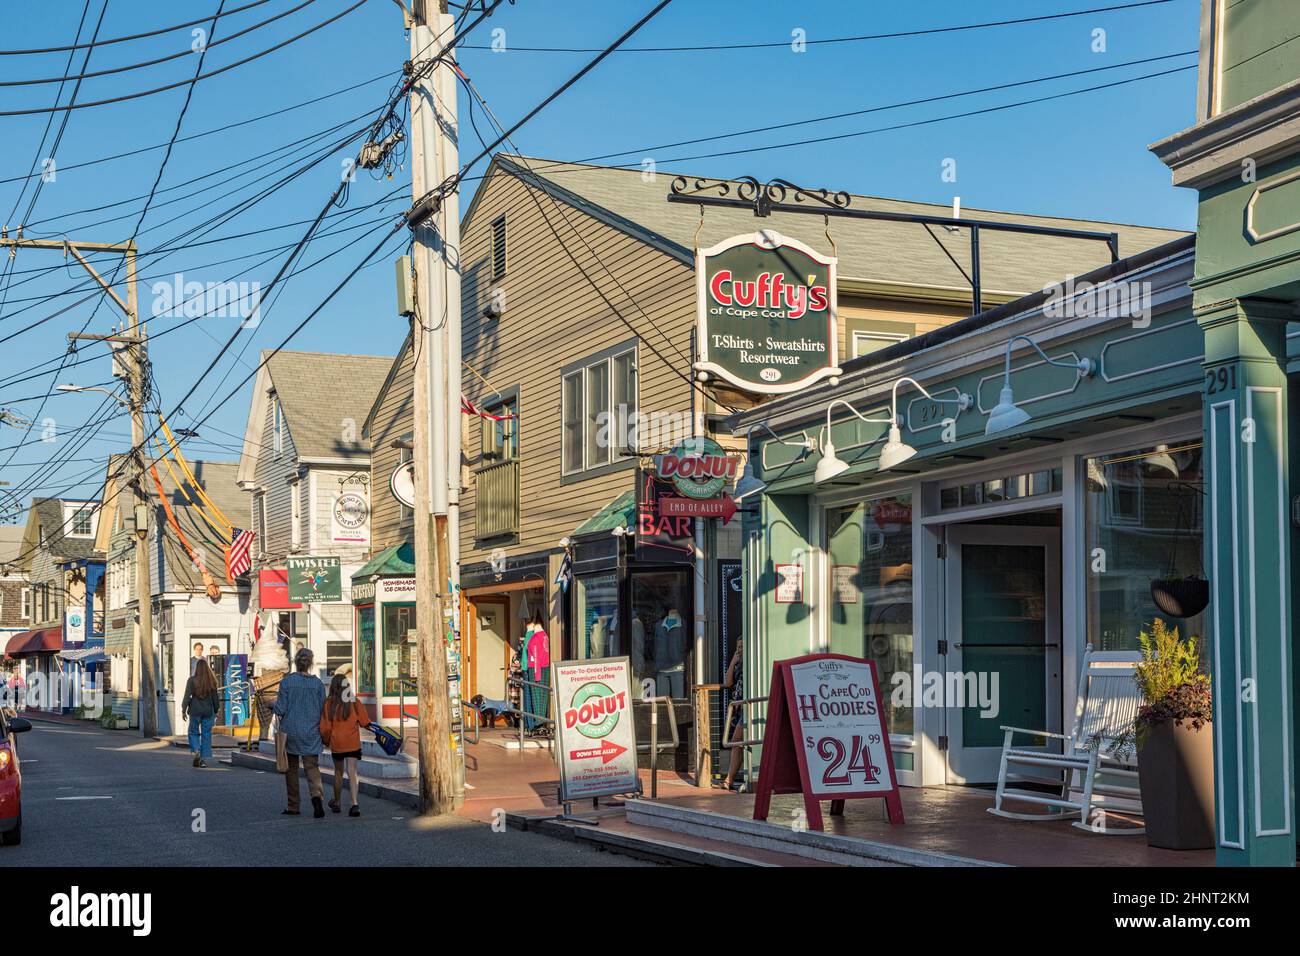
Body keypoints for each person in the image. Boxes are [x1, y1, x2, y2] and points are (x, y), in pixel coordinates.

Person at [273, 647, 327, 818]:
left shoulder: (286, 682)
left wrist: (271, 705)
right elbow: (322, 710)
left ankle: (293, 805)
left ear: (295, 663)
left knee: (292, 769)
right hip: (311, 732)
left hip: (290, 732)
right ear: (310, 663)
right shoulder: (318, 684)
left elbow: (281, 709)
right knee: (312, 767)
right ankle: (317, 797)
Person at [319, 672, 370, 816]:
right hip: (352, 742)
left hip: (337, 743)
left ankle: (337, 801)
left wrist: (326, 740)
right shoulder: (354, 702)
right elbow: (365, 722)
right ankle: (354, 803)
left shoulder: (329, 704)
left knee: (338, 772)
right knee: (352, 772)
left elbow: (325, 727)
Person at [182, 659, 221, 768]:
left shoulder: (191, 680)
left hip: (195, 710)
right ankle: (203, 759)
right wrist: (216, 710)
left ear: (197, 668)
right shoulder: (212, 681)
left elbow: (187, 696)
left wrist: (183, 710)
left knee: (193, 732)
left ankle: (196, 749)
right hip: (208, 711)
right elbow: (215, 699)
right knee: (206, 735)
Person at [718, 640, 746, 791]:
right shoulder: (738, 665)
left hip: (747, 707)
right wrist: (732, 662)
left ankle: (729, 779)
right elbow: (728, 683)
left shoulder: (751, 663)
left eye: (742, 647)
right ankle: (730, 779)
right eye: (738, 647)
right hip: (738, 709)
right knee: (738, 742)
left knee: (736, 740)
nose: (740, 650)